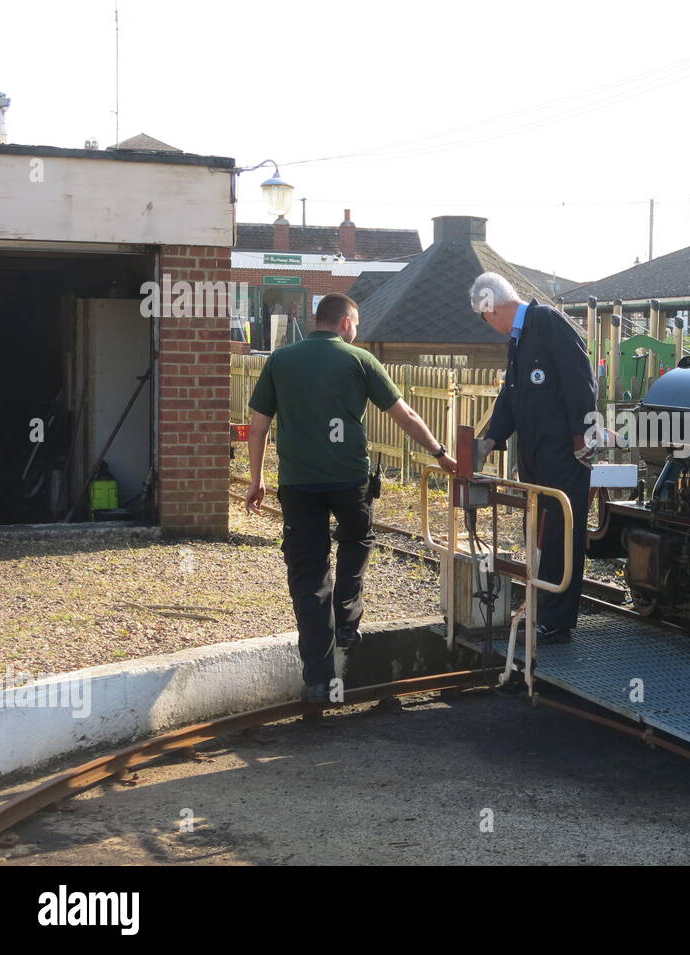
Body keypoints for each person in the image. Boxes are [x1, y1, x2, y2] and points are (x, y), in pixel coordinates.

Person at [245, 293, 456, 702]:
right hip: (349, 481)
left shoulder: (280, 361)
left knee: (308, 577)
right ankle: (346, 618)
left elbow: (257, 429)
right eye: (356, 325)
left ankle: (319, 681)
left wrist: (256, 480)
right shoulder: (359, 361)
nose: (356, 331)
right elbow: (406, 416)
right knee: (356, 540)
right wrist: (441, 455)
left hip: (298, 485)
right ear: (345, 323)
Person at [472, 272, 597, 645]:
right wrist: (490, 439)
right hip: (536, 453)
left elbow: (580, 378)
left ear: (491, 306)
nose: (488, 324)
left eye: (484, 316)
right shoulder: (519, 341)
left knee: (560, 532)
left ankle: (558, 622)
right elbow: (510, 397)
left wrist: (581, 433)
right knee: (541, 533)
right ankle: (542, 609)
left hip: (563, 449)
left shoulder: (546, 322)